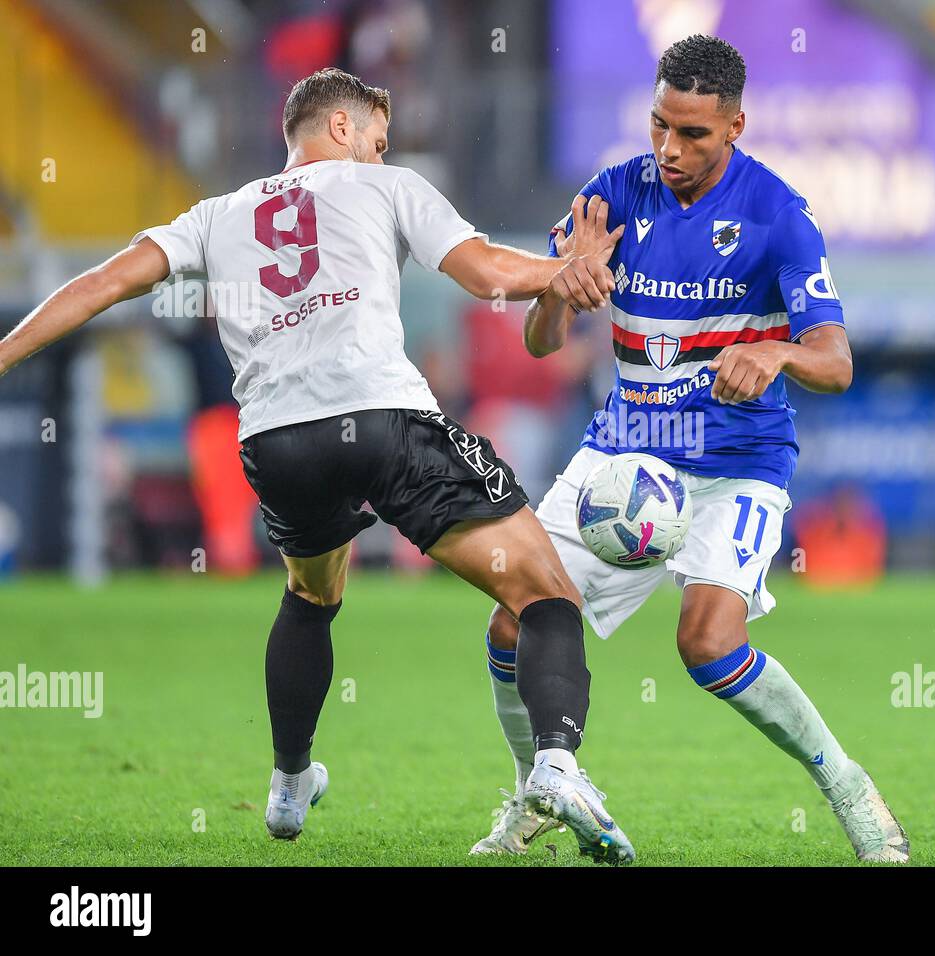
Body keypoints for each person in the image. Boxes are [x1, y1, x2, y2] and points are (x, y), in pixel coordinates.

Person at [0, 67, 638, 864]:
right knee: (546, 591)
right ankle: (556, 767)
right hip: (380, 420)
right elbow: (483, 275)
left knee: (311, 593)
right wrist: (565, 269)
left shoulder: (215, 215)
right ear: (341, 128)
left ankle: (290, 782)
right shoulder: (389, 187)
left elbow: (99, 285)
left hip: (277, 443)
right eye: (376, 136)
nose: (381, 151)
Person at [471, 35, 908, 863]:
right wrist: (562, 289)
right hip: (628, 457)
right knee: (509, 622)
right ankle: (537, 791)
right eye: (659, 127)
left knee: (708, 644)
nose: (670, 149)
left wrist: (778, 352)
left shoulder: (779, 215)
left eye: (694, 134)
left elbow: (837, 362)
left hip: (738, 459)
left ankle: (844, 780)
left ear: (736, 125)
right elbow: (540, 342)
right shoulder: (609, 195)